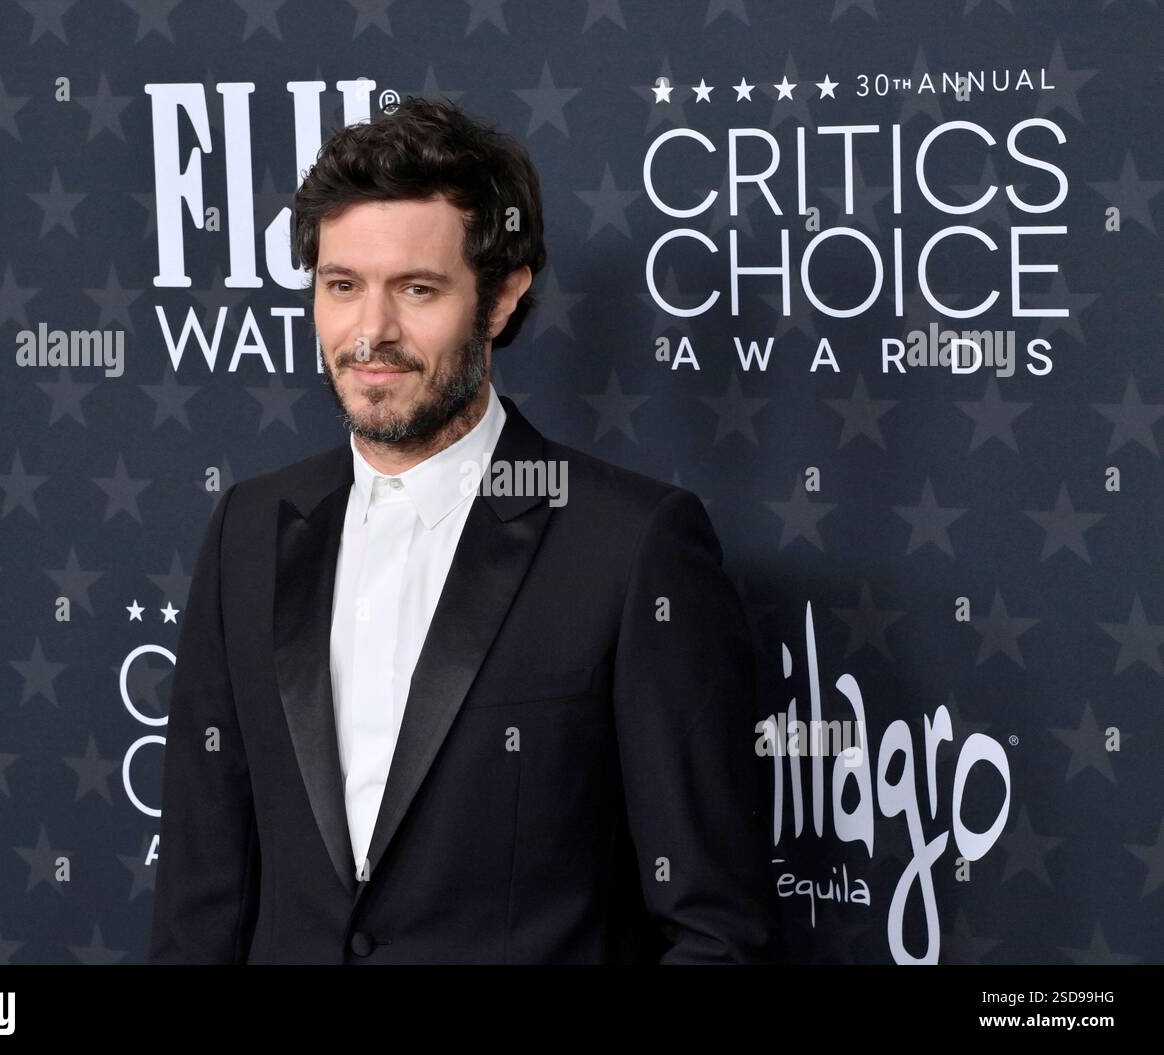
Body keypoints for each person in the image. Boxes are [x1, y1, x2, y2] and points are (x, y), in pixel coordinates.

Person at [149, 96, 780, 964]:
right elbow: (200, 903)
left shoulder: (631, 548)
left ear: (501, 297)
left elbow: (717, 931)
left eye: (417, 289)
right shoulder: (249, 532)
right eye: (341, 286)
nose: (370, 333)